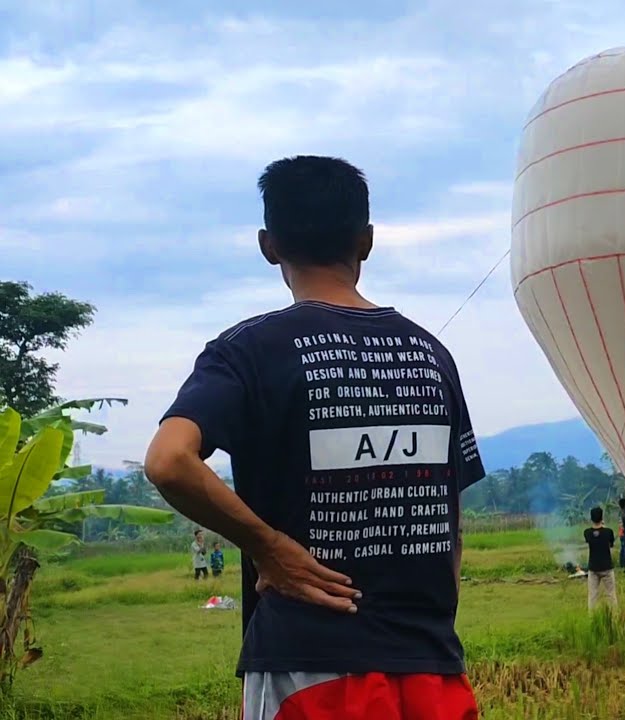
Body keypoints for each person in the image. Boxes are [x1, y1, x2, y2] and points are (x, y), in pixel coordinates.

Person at [144, 156, 483, 719]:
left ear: (267, 244)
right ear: (367, 241)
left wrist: (269, 547)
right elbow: (449, 523)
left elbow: (169, 460)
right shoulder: (431, 355)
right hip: (433, 670)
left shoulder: (249, 351)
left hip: (308, 669)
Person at [583, 507, 617, 613]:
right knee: (611, 594)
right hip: (607, 567)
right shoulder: (609, 532)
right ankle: (614, 615)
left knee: (592, 595)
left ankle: (592, 617)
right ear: (602, 518)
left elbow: (591, 538)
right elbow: (611, 544)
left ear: (591, 518)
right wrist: (603, 526)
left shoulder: (587, 532)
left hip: (593, 567)